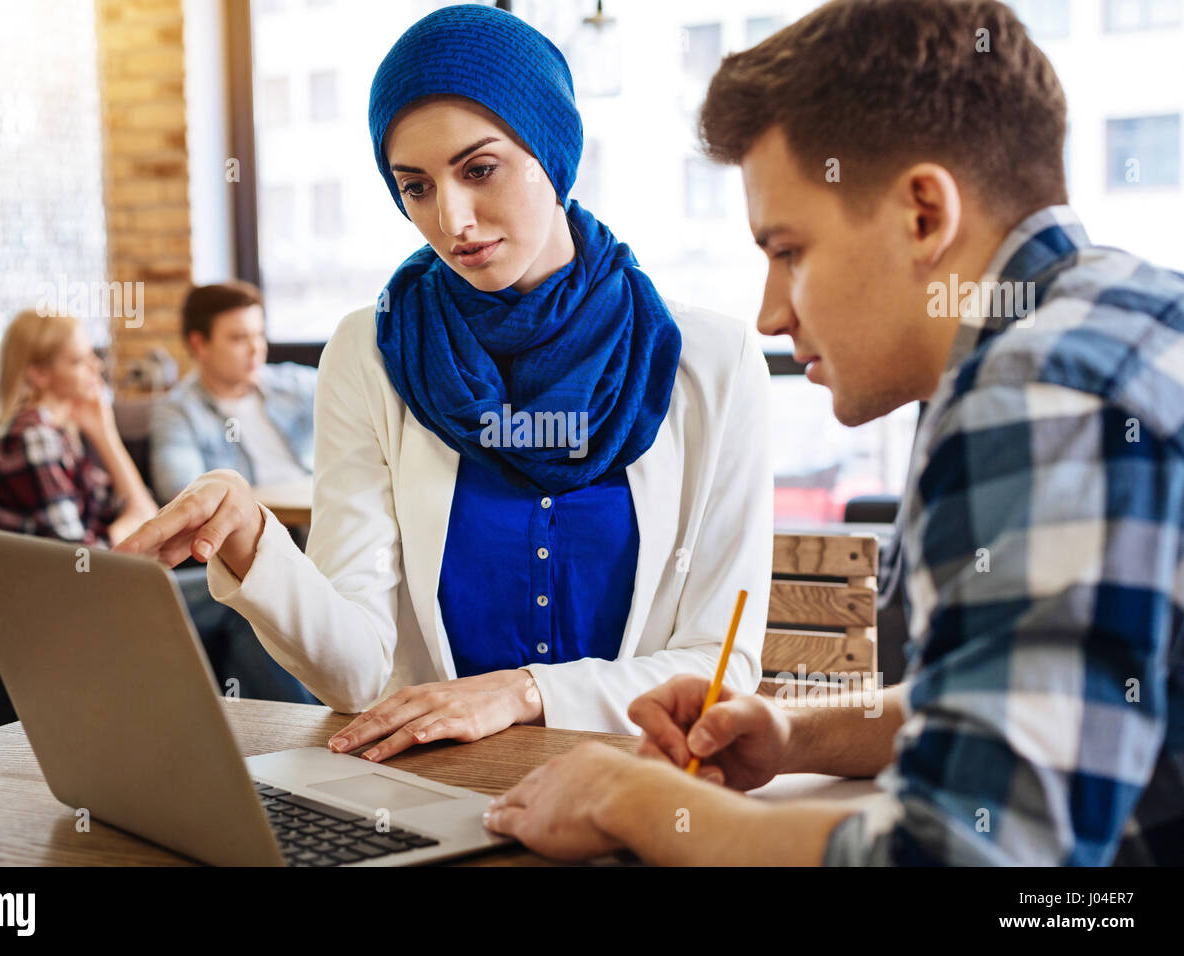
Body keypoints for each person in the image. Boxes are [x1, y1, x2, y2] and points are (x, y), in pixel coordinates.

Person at [483, 0, 1184, 866]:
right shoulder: (1127, 317)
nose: (771, 314)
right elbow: (1027, 704)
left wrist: (643, 803)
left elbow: (970, 855)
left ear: (923, 214)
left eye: (789, 251)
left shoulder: (1035, 391)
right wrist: (792, 732)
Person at [115, 4, 775, 762]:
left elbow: (722, 667)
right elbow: (359, 671)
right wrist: (255, 544)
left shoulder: (712, 362)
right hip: (433, 797)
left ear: (553, 149)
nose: (451, 219)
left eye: (479, 169)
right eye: (416, 186)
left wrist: (525, 691)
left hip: (635, 789)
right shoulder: (371, 350)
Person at [0, 308, 318, 705]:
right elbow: (81, 559)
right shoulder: (31, 437)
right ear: (38, 374)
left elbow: (143, 513)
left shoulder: (62, 434)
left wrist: (105, 433)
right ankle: (299, 741)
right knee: (240, 599)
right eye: (79, 360)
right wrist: (129, 527)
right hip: (62, 605)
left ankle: (256, 745)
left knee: (242, 591)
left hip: (100, 586)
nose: (95, 367)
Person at [149, 281, 317, 505]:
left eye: (259, 334)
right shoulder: (178, 413)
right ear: (199, 345)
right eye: (239, 338)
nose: (257, 348)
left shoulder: (294, 385)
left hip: (320, 517)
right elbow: (185, 497)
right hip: (255, 531)